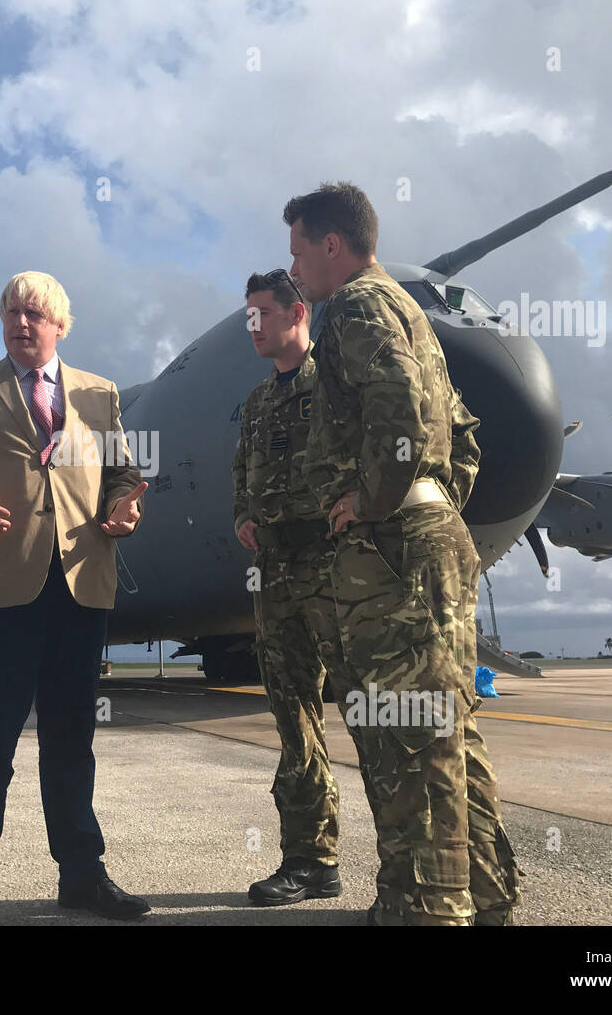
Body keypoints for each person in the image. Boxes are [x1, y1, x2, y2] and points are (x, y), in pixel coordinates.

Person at [285, 181, 522, 926]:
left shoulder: (353, 306)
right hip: (431, 540)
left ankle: (423, 909)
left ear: (333, 246)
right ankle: (486, 896)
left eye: (297, 252)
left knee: (405, 735)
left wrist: (379, 499)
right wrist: (434, 499)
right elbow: (464, 431)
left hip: (391, 552)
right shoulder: (411, 313)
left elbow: (398, 406)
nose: (293, 270)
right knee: (450, 729)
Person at [0, 270, 149, 925]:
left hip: (80, 583)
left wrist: (125, 506)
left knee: (72, 740)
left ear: (60, 325)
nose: (22, 321)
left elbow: (122, 472)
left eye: (36, 313)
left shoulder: (100, 395)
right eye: (13, 311)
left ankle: (82, 874)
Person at [232, 269, 343, 906]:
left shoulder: (334, 386)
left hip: (338, 571)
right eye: (248, 315)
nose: (254, 325)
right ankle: (311, 859)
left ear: (297, 313)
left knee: (381, 721)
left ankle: (410, 865)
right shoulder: (256, 403)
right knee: (295, 723)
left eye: (263, 313)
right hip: (276, 578)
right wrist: (244, 514)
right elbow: (241, 474)